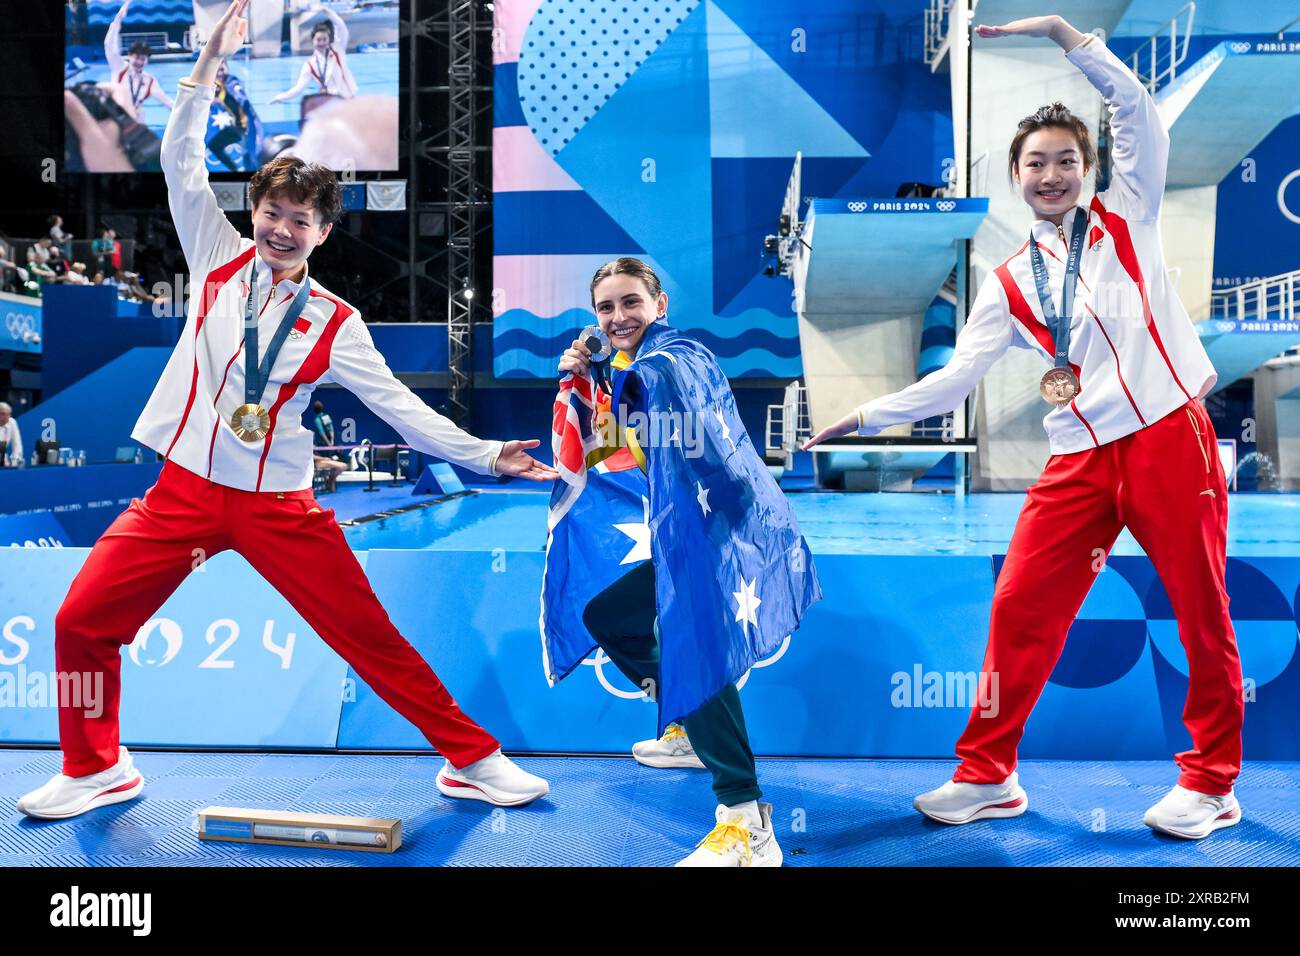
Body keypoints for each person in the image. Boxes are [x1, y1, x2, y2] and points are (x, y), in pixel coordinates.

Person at [17, 1, 559, 822]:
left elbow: (400, 409)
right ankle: (95, 766)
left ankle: (470, 757)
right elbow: (178, 158)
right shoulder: (214, 257)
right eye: (271, 213)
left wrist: (486, 456)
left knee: (368, 636)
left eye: (298, 221)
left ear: (321, 232)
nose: (279, 229)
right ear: (257, 213)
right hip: (182, 496)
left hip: (279, 509)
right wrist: (207, 63)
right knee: (79, 622)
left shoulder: (336, 322)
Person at [805, 15, 1242, 841]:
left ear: (1089, 170)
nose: (1052, 173)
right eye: (1036, 162)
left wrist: (1068, 36)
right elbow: (955, 379)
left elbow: (1137, 110)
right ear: (1014, 176)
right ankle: (989, 773)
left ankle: (1213, 783)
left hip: (1165, 438)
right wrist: (867, 416)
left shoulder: (1130, 216)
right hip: (1078, 458)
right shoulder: (1007, 281)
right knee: (1017, 609)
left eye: (1067, 160)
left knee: (1200, 608)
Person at [550, 258, 822, 866]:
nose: (618, 317)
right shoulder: (629, 370)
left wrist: (606, 373)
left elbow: (679, 411)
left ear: (660, 305)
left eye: (630, 303)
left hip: (720, 531)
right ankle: (688, 725)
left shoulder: (674, 359)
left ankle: (747, 823)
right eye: (606, 308)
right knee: (609, 618)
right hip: (688, 539)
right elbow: (613, 452)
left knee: (693, 648)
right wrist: (586, 378)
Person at [269, 4, 359, 105]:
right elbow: (299, 88)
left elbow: (342, 27)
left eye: (324, 39)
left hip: (349, 99)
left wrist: (327, 12)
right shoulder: (310, 65)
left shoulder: (337, 50)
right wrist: (280, 98)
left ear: (329, 40)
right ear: (313, 40)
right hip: (330, 103)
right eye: (318, 40)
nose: (321, 43)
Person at [104, 0, 174, 122]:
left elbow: (168, 102)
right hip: (115, 117)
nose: (139, 62)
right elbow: (109, 46)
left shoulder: (150, 81)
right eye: (136, 57)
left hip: (135, 119)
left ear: (147, 61)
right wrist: (117, 21)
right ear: (129, 56)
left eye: (143, 59)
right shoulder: (120, 68)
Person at [0, 403, 22, 468]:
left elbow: (17, 444)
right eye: (3, 414)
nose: (6, 417)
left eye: (8, 414)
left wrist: (14, 462)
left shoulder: (12, 422)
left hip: (4, 461)